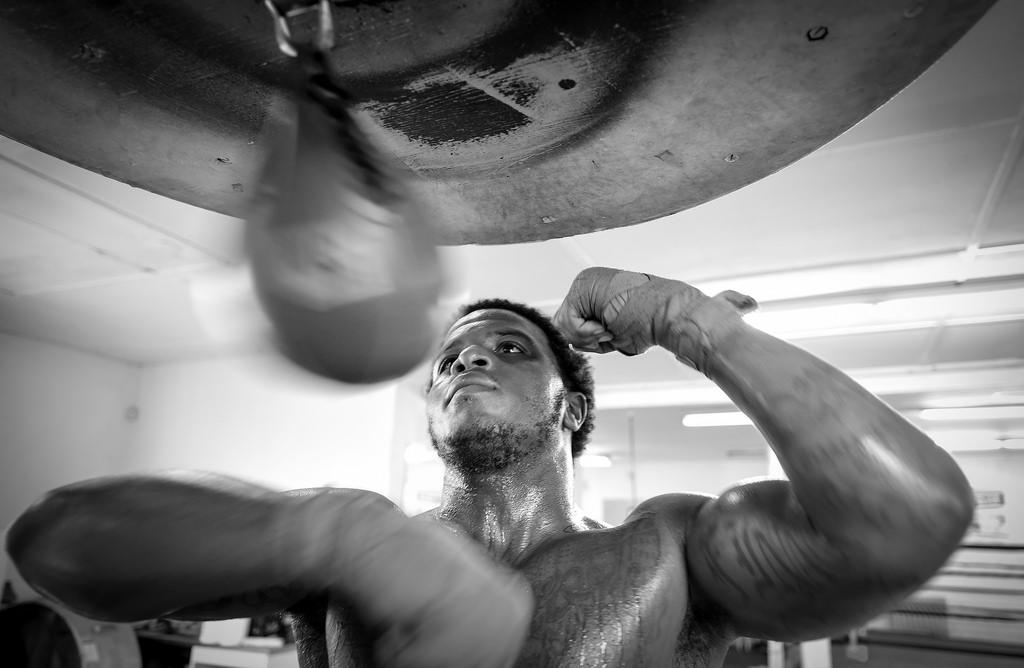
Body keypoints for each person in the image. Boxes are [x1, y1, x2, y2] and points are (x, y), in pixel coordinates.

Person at [5, 267, 975, 668]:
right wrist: (327, 526)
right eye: (452, 358)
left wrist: (695, 322)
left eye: (512, 346)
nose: (470, 358)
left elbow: (910, 516)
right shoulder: (340, 556)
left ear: (574, 402)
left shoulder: (671, 549)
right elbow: (50, 545)